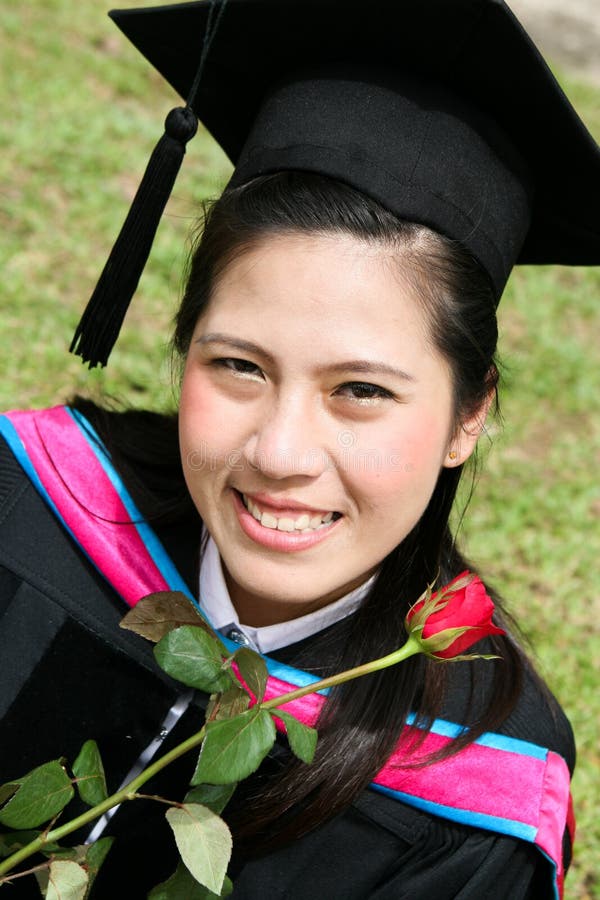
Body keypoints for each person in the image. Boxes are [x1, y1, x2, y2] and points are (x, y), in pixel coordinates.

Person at [0, 0, 598, 897]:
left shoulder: (481, 788)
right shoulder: (27, 503)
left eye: (360, 391)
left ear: (469, 415)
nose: (281, 452)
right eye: (239, 366)